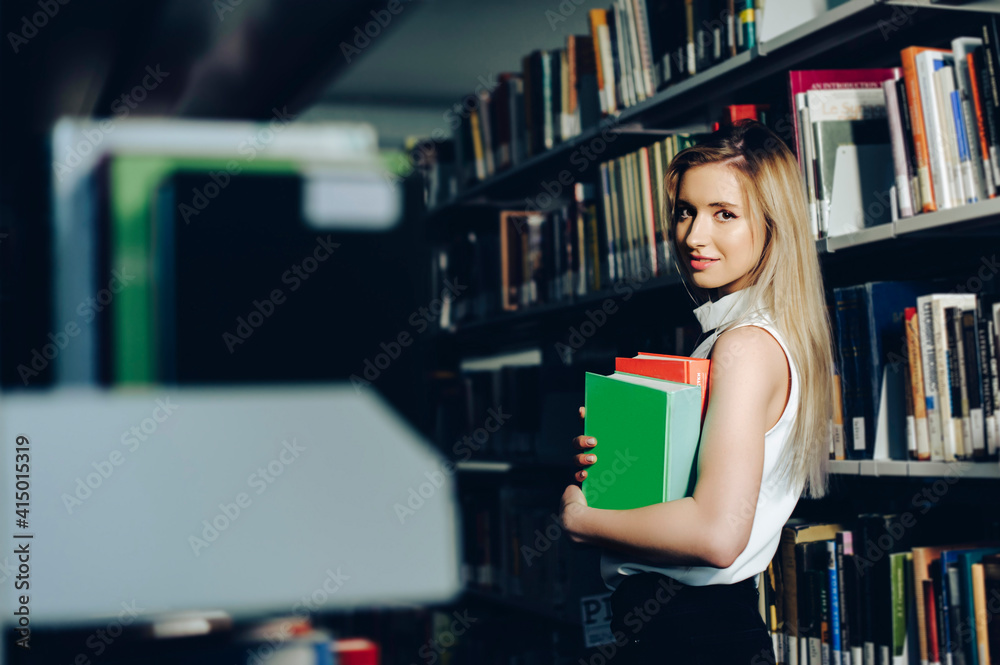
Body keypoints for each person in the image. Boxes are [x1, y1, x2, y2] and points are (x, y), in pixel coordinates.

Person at [559, 119, 834, 664]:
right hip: (686, 630)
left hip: (693, 634)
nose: (693, 236)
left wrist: (584, 520)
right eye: (686, 210)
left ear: (773, 226)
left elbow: (717, 534)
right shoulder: (740, 337)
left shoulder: (744, 346)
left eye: (724, 214)